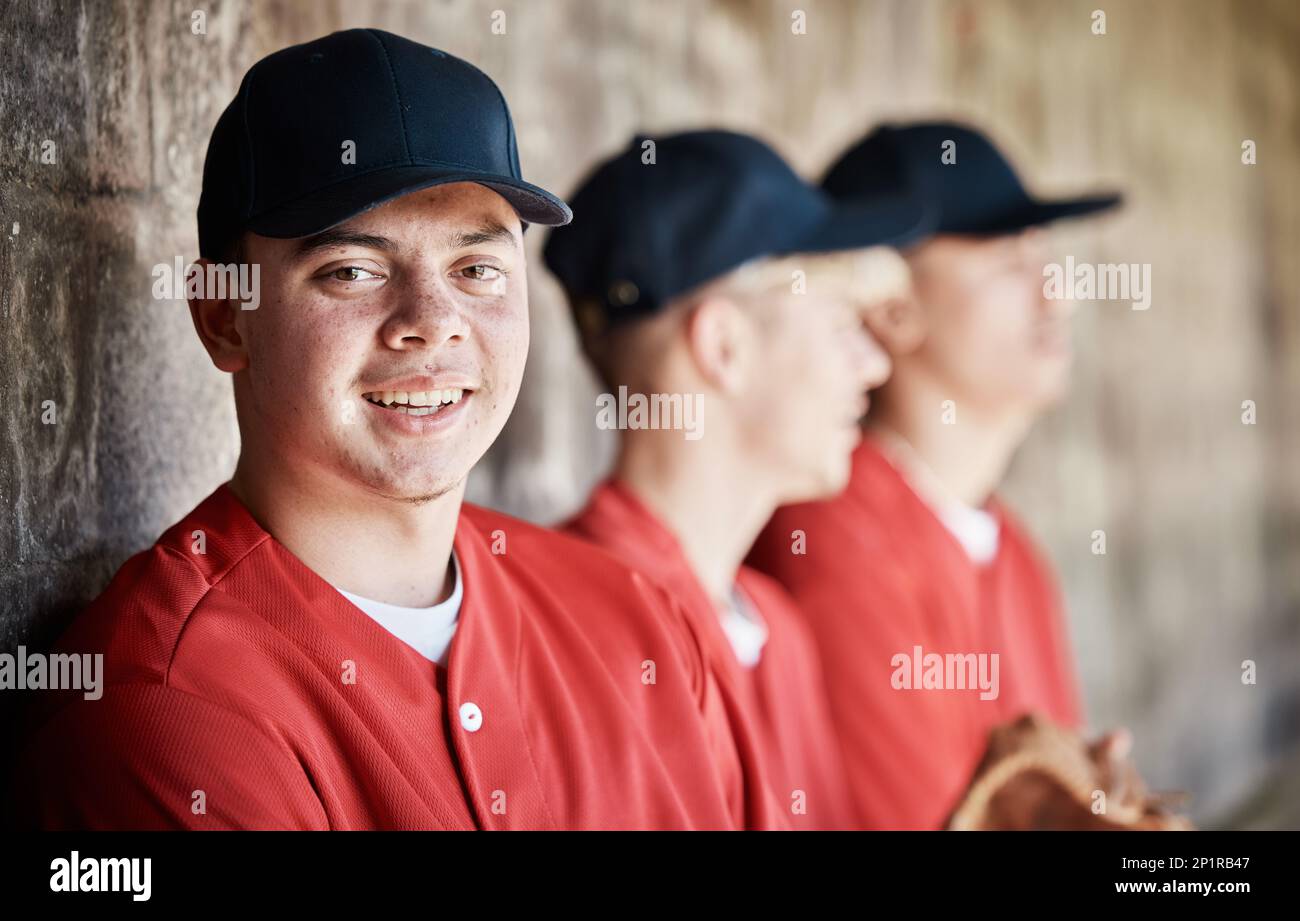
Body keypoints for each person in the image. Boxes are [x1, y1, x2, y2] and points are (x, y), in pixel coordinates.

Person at [11, 30, 766, 831]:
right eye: (352, 271)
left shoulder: (639, 621)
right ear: (224, 315)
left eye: (477, 269)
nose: (432, 321)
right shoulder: (168, 714)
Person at [748, 121, 1130, 829]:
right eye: (1009, 260)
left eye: (1044, 256)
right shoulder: (829, 538)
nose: (1059, 294)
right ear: (893, 312)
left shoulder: (1015, 551)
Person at [544, 131, 924, 828]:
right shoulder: (575, 631)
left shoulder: (778, 628)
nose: (874, 365)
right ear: (724, 347)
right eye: (842, 323)